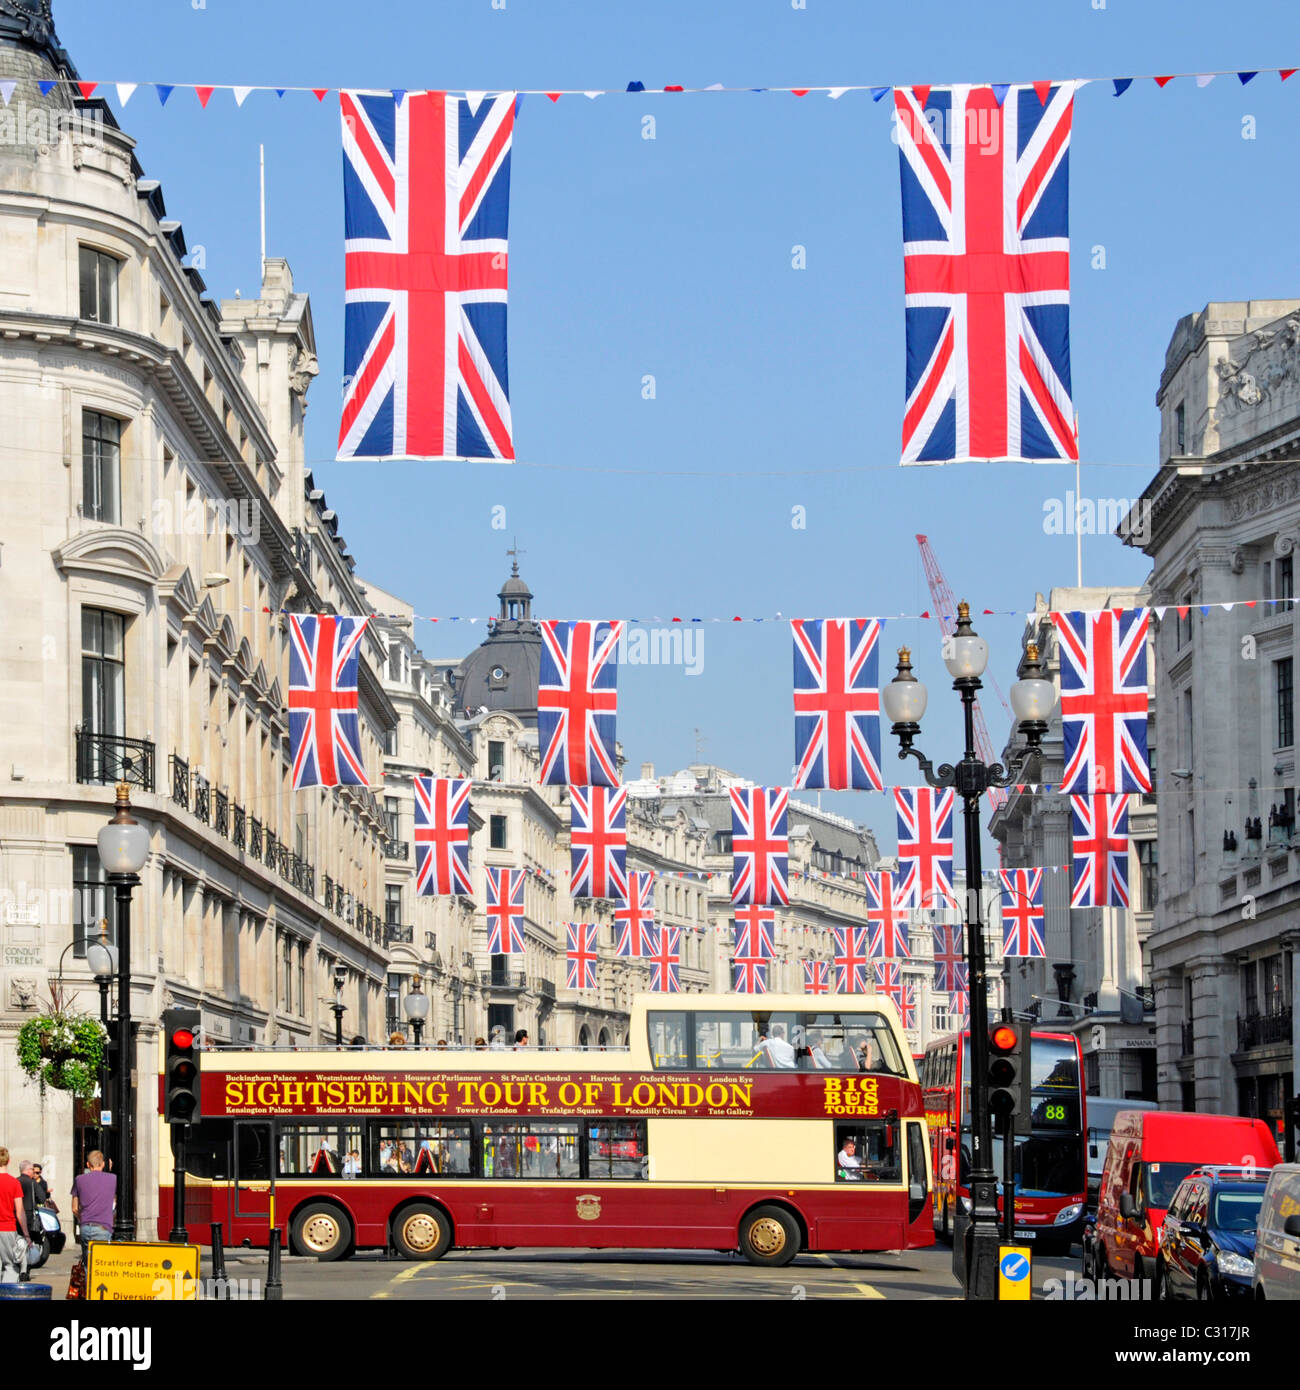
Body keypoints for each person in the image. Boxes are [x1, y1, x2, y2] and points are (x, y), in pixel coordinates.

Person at [70, 1149, 115, 1264]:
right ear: (103, 1164)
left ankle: (87, 1282)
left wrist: (82, 1218)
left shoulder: (79, 1179)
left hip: (86, 1226)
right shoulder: (113, 1179)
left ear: (88, 1165)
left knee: (87, 1264)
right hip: (104, 1226)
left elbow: (74, 1208)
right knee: (101, 1265)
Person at [0, 1147, 30, 1285]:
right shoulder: (14, 1183)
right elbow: (20, 1212)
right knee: (10, 1266)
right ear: (9, 1161)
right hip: (7, 1229)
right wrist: (26, 1235)